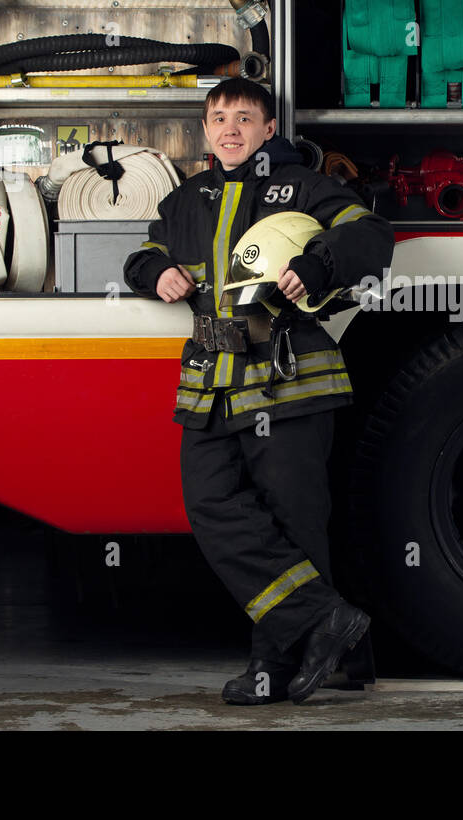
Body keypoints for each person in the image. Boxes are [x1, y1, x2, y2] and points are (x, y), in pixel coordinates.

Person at [123, 78, 393, 704]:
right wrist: (154, 271)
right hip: (212, 385)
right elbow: (142, 255)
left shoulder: (301, 187)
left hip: (289, 378)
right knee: (213, 508)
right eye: (218, 117)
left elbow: (371, 236)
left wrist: (318, 264)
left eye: (245, 117)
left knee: (294, 523)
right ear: (206, 129)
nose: (230, 128)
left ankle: (275, 666)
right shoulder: (187, 199)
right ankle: (331, 625)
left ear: (269, 128)